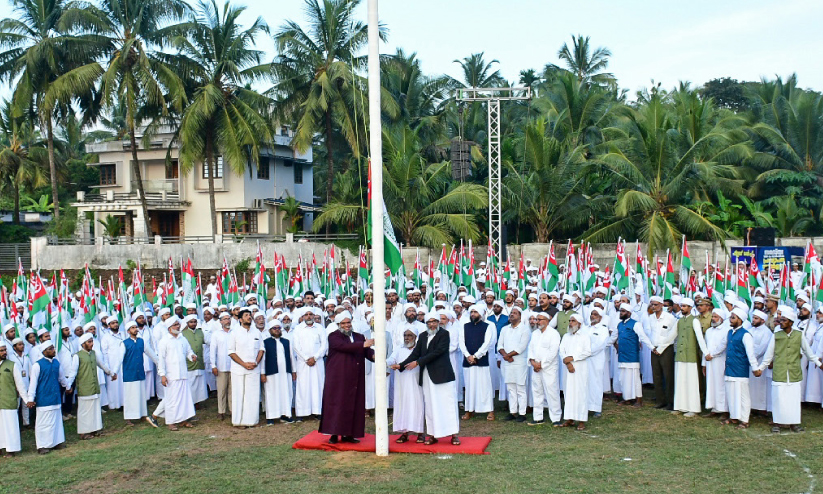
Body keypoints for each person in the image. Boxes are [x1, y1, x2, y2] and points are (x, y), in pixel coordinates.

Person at [396, 312, 460, 445]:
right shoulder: (423, 336)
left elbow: (438, 352)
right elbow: (416, 353)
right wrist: (401, 365)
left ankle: (453, 435)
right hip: (427, 376)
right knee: (431, 406)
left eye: (434, 321)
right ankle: (432, 435)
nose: (431, 324)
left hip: (442, 374)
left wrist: (418, 363)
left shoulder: (444, 334)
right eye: (429, 322)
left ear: (438, 322)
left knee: (447, 405)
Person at [758, 308, 823, 433]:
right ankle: (777, 423)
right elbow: (768, 355)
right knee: (778, 398)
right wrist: (761, 368)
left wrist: (819, 364)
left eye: (784, 320)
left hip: (793, 372)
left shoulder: (799, 335)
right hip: (780, 371)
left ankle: (794, 423)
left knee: (793, 399)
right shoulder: (776, 335)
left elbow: (809, 352)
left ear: (791, 322)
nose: (780, 322)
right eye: (781, 319)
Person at [319, 312, 375, 444]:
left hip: (355, 377)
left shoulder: (359, 336)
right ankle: (334, 434)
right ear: (338, 324)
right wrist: (363, 345)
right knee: (337, 404)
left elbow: (367, 351)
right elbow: (343, 347)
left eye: (348, 322)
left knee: (354, 404)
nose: (346, 325)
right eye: (343, 323)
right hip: (338, 377)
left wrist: (374, 356)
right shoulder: (334, 336)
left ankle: (349, 434)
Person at [705, 308, 761, 429]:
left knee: (743, 396)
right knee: (731, 394)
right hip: (730, 369)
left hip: (740, 369)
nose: (730, 319)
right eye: (731, 317)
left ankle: (745, 420)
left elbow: (751, 353)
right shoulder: (730, 332)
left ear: (740, 320)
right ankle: (734, 417)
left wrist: (755, 368)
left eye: (733, 317)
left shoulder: (745, 335)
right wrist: (711, 354)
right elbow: (722, 346)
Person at [152, 317, 197, 431]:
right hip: (171, 375)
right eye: (175, 325)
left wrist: (192, 356)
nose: (178, 326)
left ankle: (183, 420)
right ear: (169, 328)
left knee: (184, 399)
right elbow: (160, 360)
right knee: (172, 400)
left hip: (183, 373)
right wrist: (162, 375)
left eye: (178, 324)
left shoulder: (182, 339)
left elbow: (188, 351)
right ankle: (171, 422)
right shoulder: (164, 341)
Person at [69, 333, 115, 440]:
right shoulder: (77, 356)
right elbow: (73, 372)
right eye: (89, 342)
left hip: (94, 386)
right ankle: (84, 432)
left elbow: (101, 364)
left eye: (92, 341)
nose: (92, 344)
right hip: (85, 387)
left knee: (95, 409)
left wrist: (111, 373)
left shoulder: (93, 353)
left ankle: (95, 429)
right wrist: (68, 386)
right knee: (84, 411)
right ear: (83, 344)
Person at [114, 321, 159, 427]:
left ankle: (142, 414)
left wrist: (159, 364)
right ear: (128, 331)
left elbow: (151, 354)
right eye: (133, 328)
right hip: (130, 373)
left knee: (141, 394)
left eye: (136, 327)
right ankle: (129, 418)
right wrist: (114, 372)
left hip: (139, 372)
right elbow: (119, 359)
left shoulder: (141, 342)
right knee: (130, 396)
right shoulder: (124, 343)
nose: (135, 329)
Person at [26, 341, 68, 454]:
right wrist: (30, 399)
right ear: (44, 351)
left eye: (53, 348)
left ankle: (57, 442)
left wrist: (67, 386)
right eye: (51, 349)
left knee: (57, 422)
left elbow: (61, 378)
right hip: (44, 398)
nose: (53, 350)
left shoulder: (56, 363)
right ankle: (42, 446)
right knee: (43, 424)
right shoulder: (37, 365)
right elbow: (33, 384)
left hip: (55, 397)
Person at [387, 321, 425, 443]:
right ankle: (404, 433)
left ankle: (420, 433)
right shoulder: (399, 348)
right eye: (405, 335)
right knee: (402, 405)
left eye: (409, 335)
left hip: (416, 382)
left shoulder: (420, 349)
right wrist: (386, 362)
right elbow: (392, 358)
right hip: (401, 383)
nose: (407, 338)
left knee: (417, 406)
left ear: (415, 337)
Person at [672, 298, 709, 417]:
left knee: (691, 382)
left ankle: (693, 408)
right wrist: (658, 348)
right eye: (681, 306)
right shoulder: (679, 321)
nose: (682, 308)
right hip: (680, 356)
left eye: (685, 306)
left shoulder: (694, 321)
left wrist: (706, 352)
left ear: (690, 308)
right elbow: (671, 336)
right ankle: (679, 406)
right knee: (680, 381)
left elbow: (700, 338)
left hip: (691, 356)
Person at [228, 308, 264, 428]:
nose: (249, 317)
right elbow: (231, 352)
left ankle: (253, 421)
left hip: (254, 369)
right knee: (239, 395)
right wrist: (244, 364)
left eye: (250, 315)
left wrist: (256, 363)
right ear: (240, 319)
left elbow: (261, 349)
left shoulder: (256, 332)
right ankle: (238, 422)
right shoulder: (234, 332)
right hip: (238, 369)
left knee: (252, 395)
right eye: (246, 315)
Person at [459, 305, 495, 421]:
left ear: (480, 314)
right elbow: (461, 342)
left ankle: (490, 410)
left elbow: (487, 343)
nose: (473, 314)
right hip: (468, 361)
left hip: (481, 360)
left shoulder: (487, 326)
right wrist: (468, 356)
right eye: (471, 312)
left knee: (484, 386)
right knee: (469, 386)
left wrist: (476, 356)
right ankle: (469, 410)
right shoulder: (465, 326)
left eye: (475, 312)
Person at [527, 312, 562, 426]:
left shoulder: (554, 333)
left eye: (540, 319)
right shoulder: (535, 333)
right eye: (536, 319)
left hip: (549, 368)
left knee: (552, 392)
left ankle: (556, 418)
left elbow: (553, 352)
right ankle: (538, 417)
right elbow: (531, 349)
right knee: (537, 392)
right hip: (536, 367)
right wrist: (533, 362)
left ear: (547, 320)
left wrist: (541, 364)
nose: (537, 322)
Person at [292, 308, 327, 420]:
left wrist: (315, 357)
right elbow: (296, 346)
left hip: (318, 362)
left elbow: (324, 345)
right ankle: (302, 412)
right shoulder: (298, 329)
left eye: (310, 314)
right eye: (306, 315)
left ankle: (318, 411)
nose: (308, 316)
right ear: (302, 317)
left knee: (318, 385)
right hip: (303, 363)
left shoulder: (320, 328)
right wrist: (307, 358)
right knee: (303, 386)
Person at [497, 306, 530, 422]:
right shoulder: (505, 329)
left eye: (515, 313)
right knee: (511, 388)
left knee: (520, 388)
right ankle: (513, 412)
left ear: (520, 317)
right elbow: (499, 345)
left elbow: (522, 347)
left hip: (519, 362)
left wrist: (508, 355)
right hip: (507, 362)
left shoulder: (525, 329)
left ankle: (522, 413)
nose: (512, 314)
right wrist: (506, 355)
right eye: (511, 313)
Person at [559, 314, 592, 430]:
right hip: (567, 368)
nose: (570, 323)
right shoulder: (566, 337)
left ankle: (582, 420)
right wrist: (568, 363)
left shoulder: (584, 336)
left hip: (580, 368)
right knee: (568, 392)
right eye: (570, 320)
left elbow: (587, 352)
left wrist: (572, 358)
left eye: (573, 321)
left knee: (580, 393)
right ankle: (569, 418)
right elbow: (561, 350)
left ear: (579, 324)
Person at [262, 320, 296, 425]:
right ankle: (271, 417)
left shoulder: (286, 341)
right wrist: (262, 373)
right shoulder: (265, 342)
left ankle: (285, 415)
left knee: (286, 392)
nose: (277, 330)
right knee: (271, 393)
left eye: (278, 328)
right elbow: (263, 359)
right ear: (270, 330)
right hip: (272, 372)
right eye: (274, 328)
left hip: (285, 372)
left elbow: (291, 357)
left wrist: (294, 371)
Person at [647, 296, 677, 410]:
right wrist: (653, 347)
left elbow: (672, 336)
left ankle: (670, 401)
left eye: (655, 304)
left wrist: (661, 348)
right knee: (657, 375)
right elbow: (649, 333)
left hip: (666, 349)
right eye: (652, 305)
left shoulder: (670, 318)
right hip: (654, 349)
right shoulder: (651, 318)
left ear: (661, 305)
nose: (653, 307)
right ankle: (660, 400)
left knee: (668, 376)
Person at [0, 341, 28, 456]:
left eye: (5, 350)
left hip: (9, 400)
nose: (4, 352)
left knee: (11, 426)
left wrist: (27, 400)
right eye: (1, 350)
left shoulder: (12, 365)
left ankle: (11, 450)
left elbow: (20, 385)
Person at [702, 309, 729, 418]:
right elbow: (705, 347)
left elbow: (723, 346)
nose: (713, 319)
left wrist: (712, 355)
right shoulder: (709, 331)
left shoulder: (726, 330)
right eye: (713, 316)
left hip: (720, 361)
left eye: (716, 317)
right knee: (711, 384)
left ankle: (724, 410)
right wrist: (704, 363)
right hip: (709, 361)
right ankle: (713, 408)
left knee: (721, 384)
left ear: (722, 319)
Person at [181, 315, 209, 409]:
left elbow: (207, 341)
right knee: (191, 383)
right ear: (187, 323)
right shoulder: (183, 334)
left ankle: (197, 402)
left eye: (194, 322)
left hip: (199, 361)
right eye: (191, 322)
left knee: (199, 383)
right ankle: (190, 403)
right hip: (189, 362)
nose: (193, 323)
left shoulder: (200, 332)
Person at [210, 312, 233, 420]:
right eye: (225, 319)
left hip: (234, 366)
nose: (227, 321)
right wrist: (213, 365)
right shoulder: (216, 334)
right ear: (220, 321)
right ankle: (221, 411)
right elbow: (212, 351)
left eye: (228, 318)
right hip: (221, 366)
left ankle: (232, 410)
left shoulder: (235, 332)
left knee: (232, 390)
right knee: (222, 390)